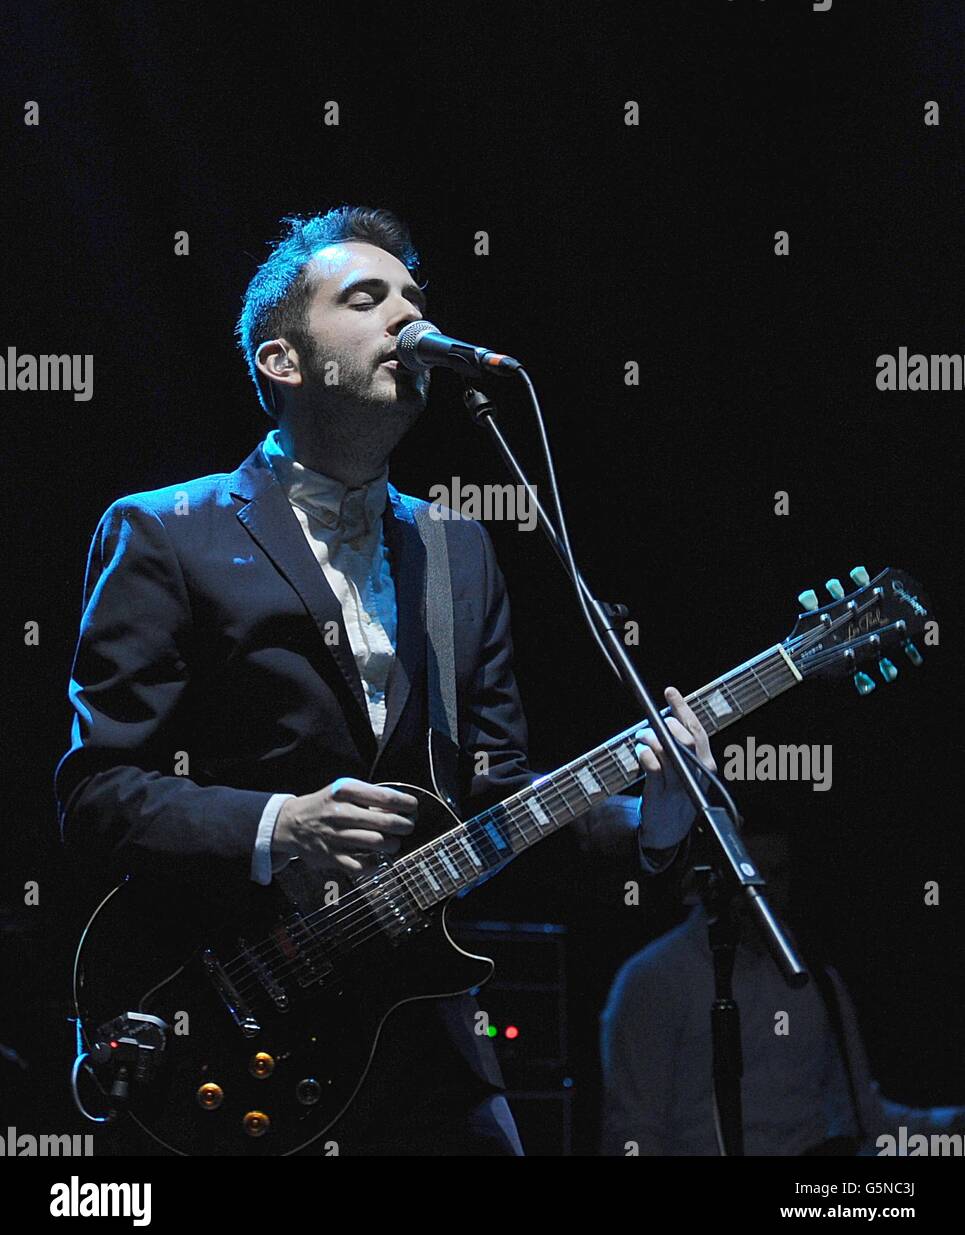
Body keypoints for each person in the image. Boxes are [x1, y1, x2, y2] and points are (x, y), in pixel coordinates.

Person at [56, 205, 712, 1156]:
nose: (407, 319)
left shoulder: (456, 548)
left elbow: (497, 796)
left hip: (421, 1021)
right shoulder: (164, 530)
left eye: (413, 297)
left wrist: (645, 816)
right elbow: (98, 793)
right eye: (366, 298)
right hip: (227, 1003)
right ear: (283, 362)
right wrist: (279, 827)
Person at [600, 821, 965, 1156]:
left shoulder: (815, 976)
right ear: (713, 879)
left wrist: (949, 1128)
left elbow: (860, 1115)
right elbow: (633, 1130)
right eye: (750, 876)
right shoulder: (655, 978)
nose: (765, 891)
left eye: (777, 874)